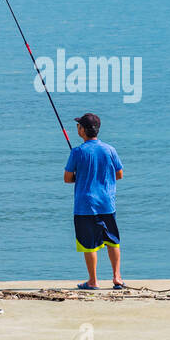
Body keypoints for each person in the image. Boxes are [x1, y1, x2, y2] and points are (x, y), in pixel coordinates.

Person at [63, 112, 123, 290]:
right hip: (107, 203)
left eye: (78, 126)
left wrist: (80, 176)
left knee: (88, 244)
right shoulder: (109, 149)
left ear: (82, 130)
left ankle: (93, 281)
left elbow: (67, 178)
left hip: (85, 206)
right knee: (112, 241)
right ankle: (117, 277)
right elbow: (119, 174)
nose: (77, 128)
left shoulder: (77, 152)